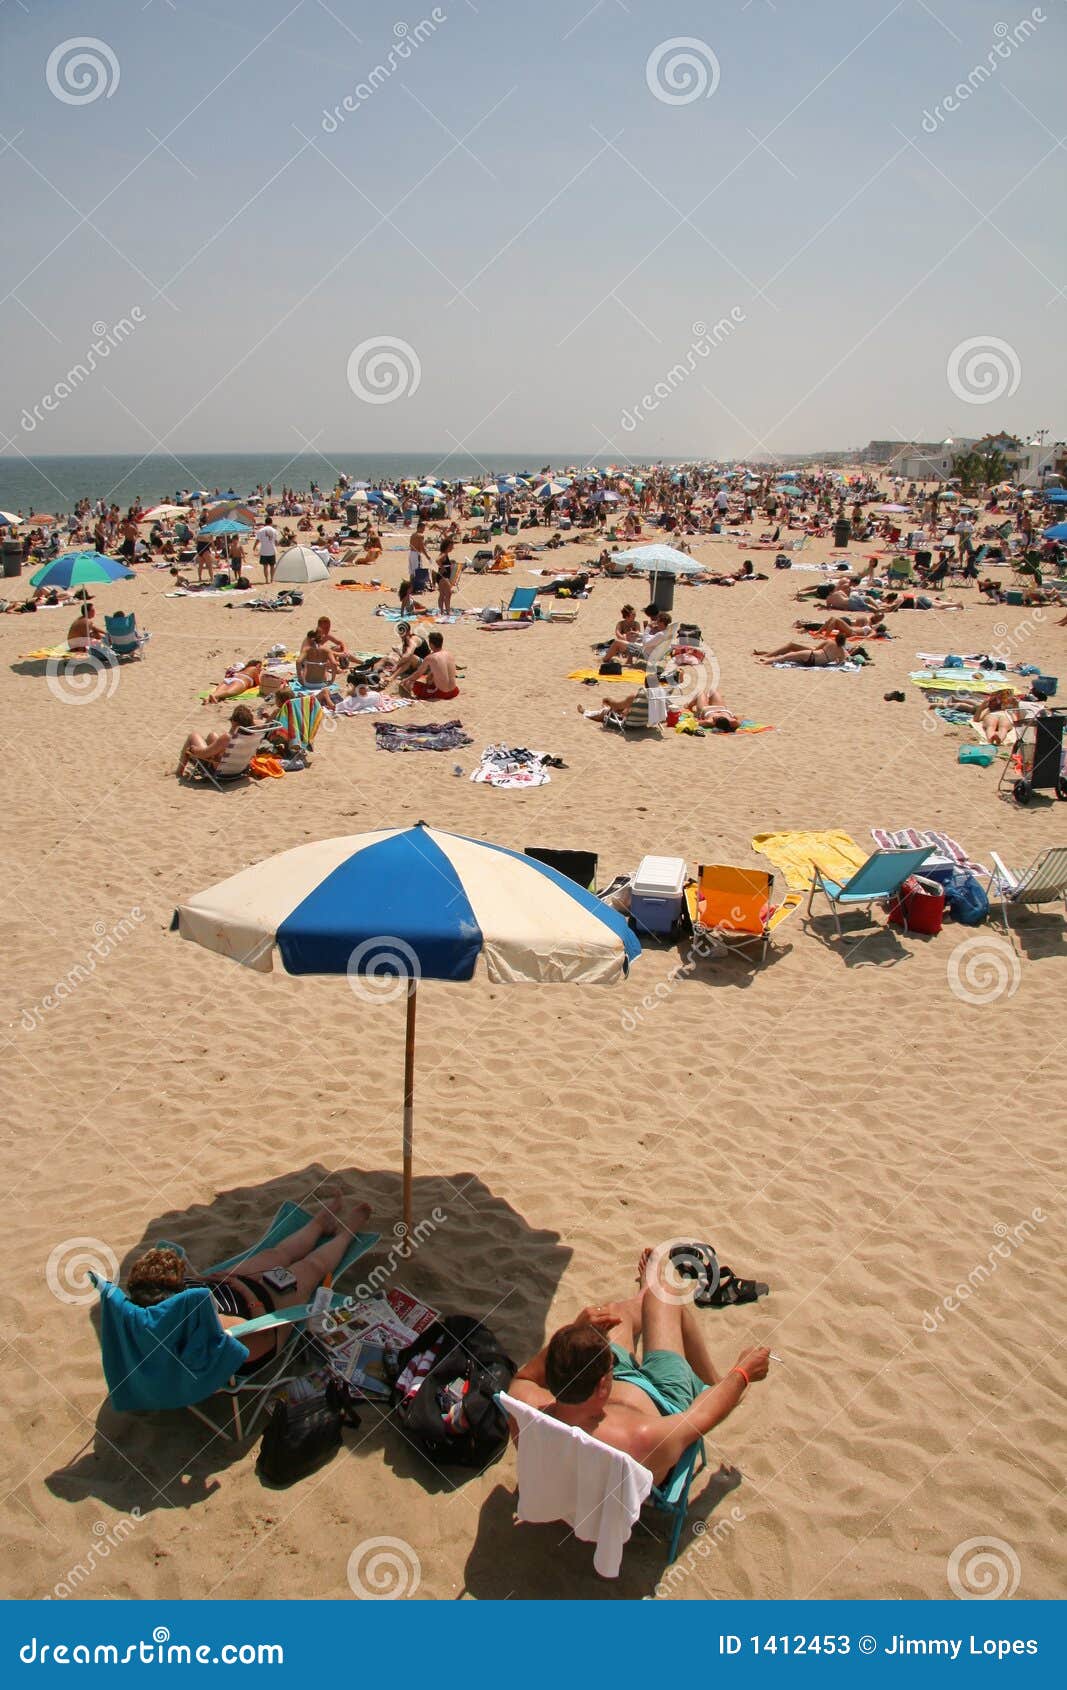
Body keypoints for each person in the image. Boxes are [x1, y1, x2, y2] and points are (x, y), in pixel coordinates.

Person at [507, 1251, 771, 1485]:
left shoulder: (526, 1408)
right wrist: (744, 1372)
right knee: (665, 1295)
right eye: (610, 1363)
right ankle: (711, 1374)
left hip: (608, 1389)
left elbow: (524, 1377)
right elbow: (704, 1415)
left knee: (613, 1312)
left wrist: (576, 1330)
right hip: (663, 1398)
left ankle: (644, 1293)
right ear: (602, 1386)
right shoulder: (641, 1440)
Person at [124, 1193, 372, 1366]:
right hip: (263, 1324)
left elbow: (192, 1288)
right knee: (310, 1267)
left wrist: (204, 1281)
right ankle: (346, 1234)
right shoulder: (216, 1324)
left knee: (275, 1254)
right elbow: (260, 1329)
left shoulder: (144, 1310)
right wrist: (246, 1291)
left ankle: (320, 1224)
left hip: (229, 1291)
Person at [178, 704, 257, 775]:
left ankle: (179, 772)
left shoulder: (228, 738)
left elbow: (203, 754)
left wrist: (193, 749)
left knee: (193, 736)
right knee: (212, 735)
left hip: (220, 772)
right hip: (240, 770)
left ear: (234, 722)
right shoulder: (254, 735)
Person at [400, 629, 458, 700]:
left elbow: (418, 674)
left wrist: (406, 679)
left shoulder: (430, 657)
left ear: (431, 644)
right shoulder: (450, 654)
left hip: (442, 693)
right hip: (455, 691)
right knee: (430, 677)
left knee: (412, 683)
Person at [754, 633, 850, 666]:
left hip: (812, 655)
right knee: (789, 656)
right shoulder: (841, 652)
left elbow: (817, 648)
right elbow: (840, 662)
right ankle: (767, 657)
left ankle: (766, 661)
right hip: (814, 663)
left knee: (786, 657)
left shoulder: (830, 642)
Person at [256, 518, 280, 583]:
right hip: (272, 550)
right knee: (272, 566)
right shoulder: (274, 530)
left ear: (265, 523)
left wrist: (254, 547)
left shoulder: (260, 530)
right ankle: (272, 579)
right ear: (271, 523)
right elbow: (276, 541)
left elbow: (257, 540)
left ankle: (266, 580)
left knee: (265, 567)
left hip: (264, 551)